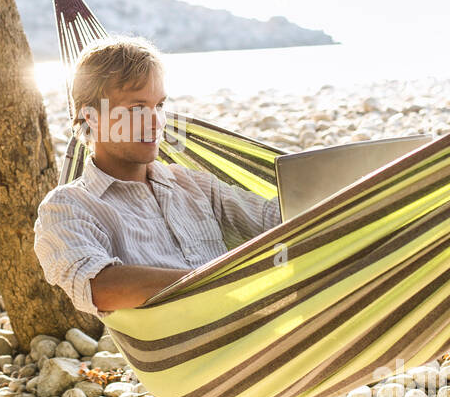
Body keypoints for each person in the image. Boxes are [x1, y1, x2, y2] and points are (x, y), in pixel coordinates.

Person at [33, 35, 280, 318]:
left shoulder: (194, 185)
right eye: (137, 108)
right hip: (192, 352)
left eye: (159, 105)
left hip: (260, 331)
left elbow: (277, 219)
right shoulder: (69, 207)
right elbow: (98, 286)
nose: (157, 122)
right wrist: (222, 284)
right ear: (91, 118)